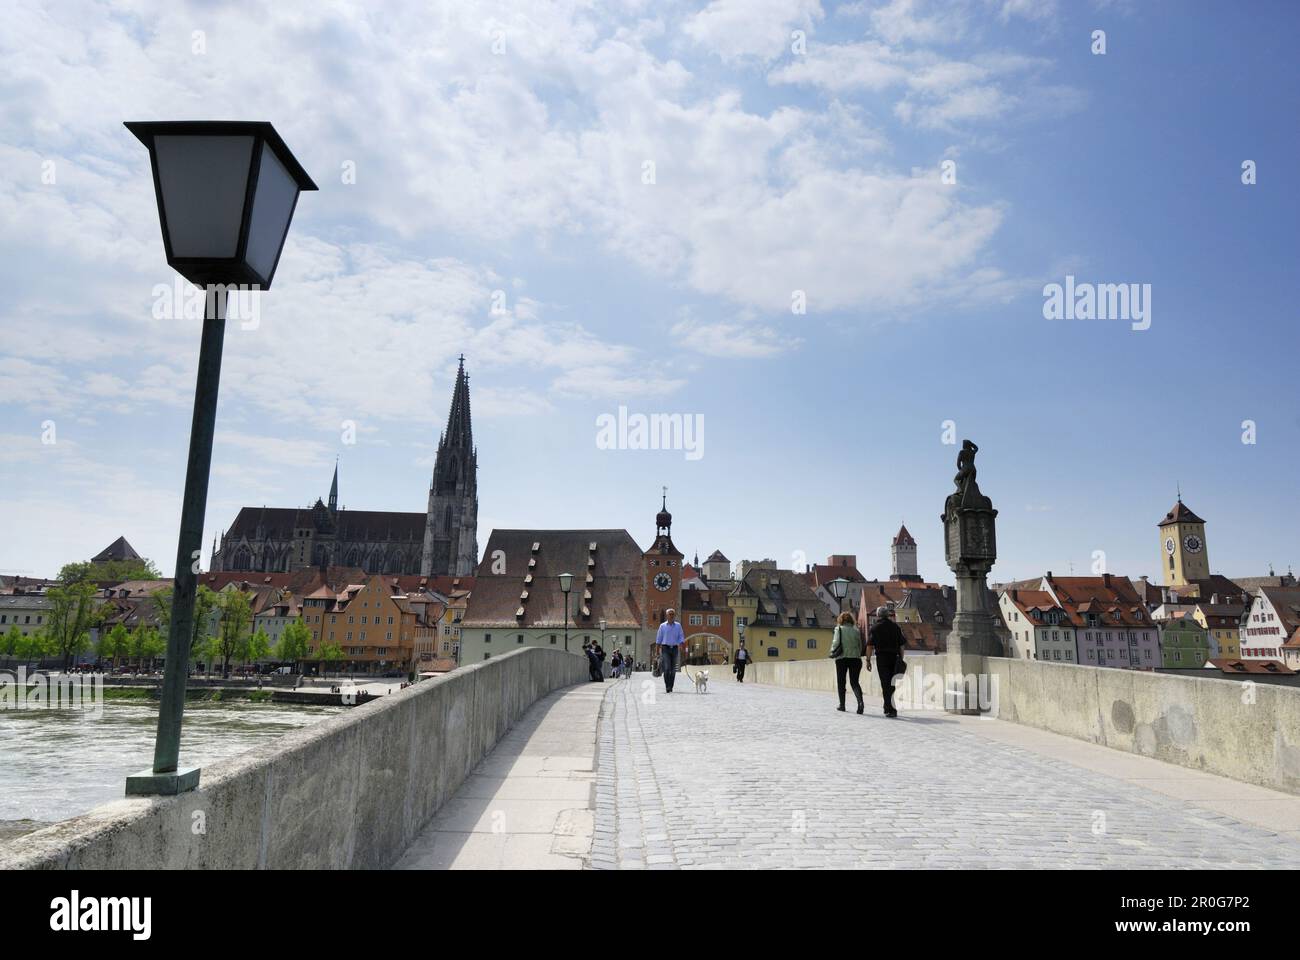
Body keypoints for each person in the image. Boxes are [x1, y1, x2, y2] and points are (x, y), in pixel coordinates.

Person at [865, 605, 906, 718]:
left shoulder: (875, 628)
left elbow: (869, 646)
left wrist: (868, 660)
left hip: (882, 658)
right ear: (888, 615)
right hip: (894, 657)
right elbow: (902, 645)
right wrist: (901, 659)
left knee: (885, 683)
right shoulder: (895, 627)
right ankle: (888, 706)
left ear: (878, 615)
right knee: (892, 684)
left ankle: (890, 708)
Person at [828, 611, 866, 713]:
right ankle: (860, 702)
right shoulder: (856, 631)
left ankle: (842, 705)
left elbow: (835, 643)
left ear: (841, 620)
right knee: (854, 682)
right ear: (851, 620)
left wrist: (832, 652)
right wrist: (857, 654)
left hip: (842, 658)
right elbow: (860, 646)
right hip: (855, 659)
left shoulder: (839, 629)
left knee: (841, 682)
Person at [654, 608, 685, 693]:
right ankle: (667, 686)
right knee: (667, 668)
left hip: (675, 648)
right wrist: (657, 651)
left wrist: (681, 644)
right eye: (670, 614)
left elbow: (681, 636)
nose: (671, 615)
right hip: (665, 648)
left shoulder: (678, 625)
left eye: (672, 614)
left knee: (673, 670)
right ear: (667, 616)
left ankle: (671, 686)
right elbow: (658, 639)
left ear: (674, 615)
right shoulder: (662, 626)